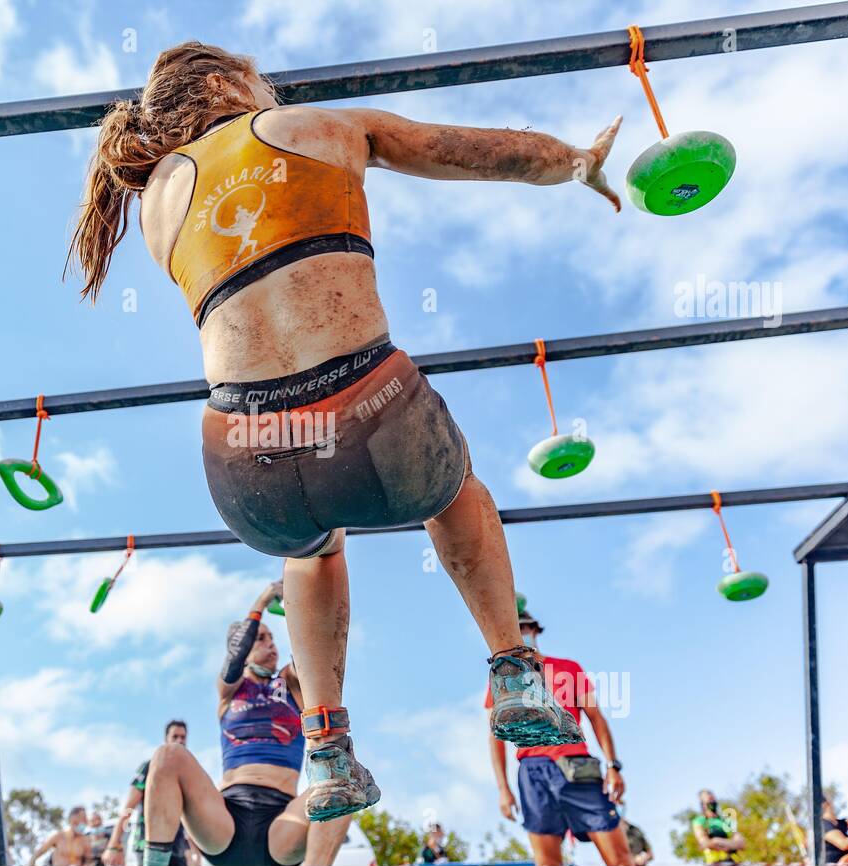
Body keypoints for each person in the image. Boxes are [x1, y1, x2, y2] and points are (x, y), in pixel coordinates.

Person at [68, 42, 621, 822]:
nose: (275, 89)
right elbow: (466, 151)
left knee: (310, 551)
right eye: (262, 80)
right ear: (229, 86)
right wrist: (575, 161)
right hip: (370, 415)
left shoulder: (156, 199)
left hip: (241, 462)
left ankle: (326, 748)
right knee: (458, 494)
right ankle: (513, 670)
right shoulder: (314, 126)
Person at [139, 580, 352, 866]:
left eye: (272, 639)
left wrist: (297, 606)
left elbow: (313, 650)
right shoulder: (230, 690)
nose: (270, 644)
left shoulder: (290, 685)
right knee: (168, 754)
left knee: (341, 776)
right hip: (225, 823)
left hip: (281, 825)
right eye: (260, 639)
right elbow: (235, 653)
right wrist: (263, 601)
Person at [488, 607, 632, 866]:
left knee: (620, 860)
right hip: (532, 771)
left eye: (525, 628)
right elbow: (495, 736)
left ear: (535, 631)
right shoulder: (503, 678)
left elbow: (596, 717)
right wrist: (503, 789)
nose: (521, 633)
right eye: (515, 628)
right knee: (547, 863)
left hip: (576, 765)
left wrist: (613, 765)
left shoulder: (568, 668)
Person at [104, 720, 194, 866]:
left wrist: (193, 852)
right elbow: (129, 807)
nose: (179, 741)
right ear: (166, 739)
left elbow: (188, 818)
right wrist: (113, 844)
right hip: (148, 847)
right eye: (175, 736)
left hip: (177, 850)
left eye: (183, 737)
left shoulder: (188, 774)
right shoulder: (150, 768)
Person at [691, 790, 745, 866]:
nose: (712, 802)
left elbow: (741, 843)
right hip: (714, 863)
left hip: (734, 862)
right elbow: (704, 843)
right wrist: (731, 844)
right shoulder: (700, 821)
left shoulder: (726, 820)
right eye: (709, 800)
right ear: (703, 804)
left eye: (713, 799)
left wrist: (716, 841)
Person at [820, 798, 848, 865]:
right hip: (834, 864)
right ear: (825, 804)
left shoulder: (838, 823)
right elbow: (844, 844)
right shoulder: (824, 825)